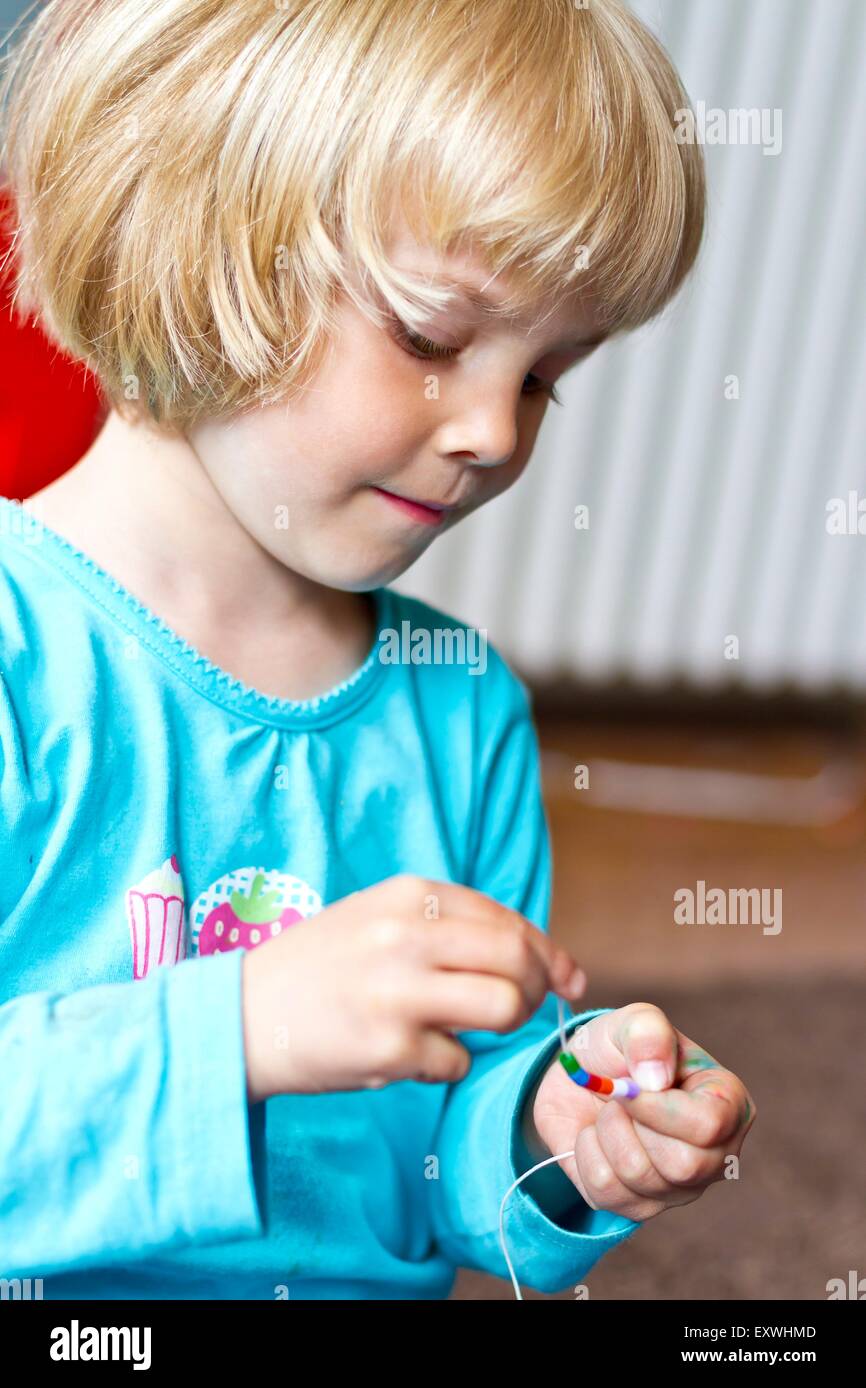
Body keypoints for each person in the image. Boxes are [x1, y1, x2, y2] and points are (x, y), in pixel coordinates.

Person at [0, 0, 755, 1299]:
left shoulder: (462, 714)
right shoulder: (24, 651)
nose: (493, 434)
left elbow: (452, 1156)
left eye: (542, 376)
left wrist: (559, 1139)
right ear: (203, 236)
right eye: (431, 336)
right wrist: (241, 1027)